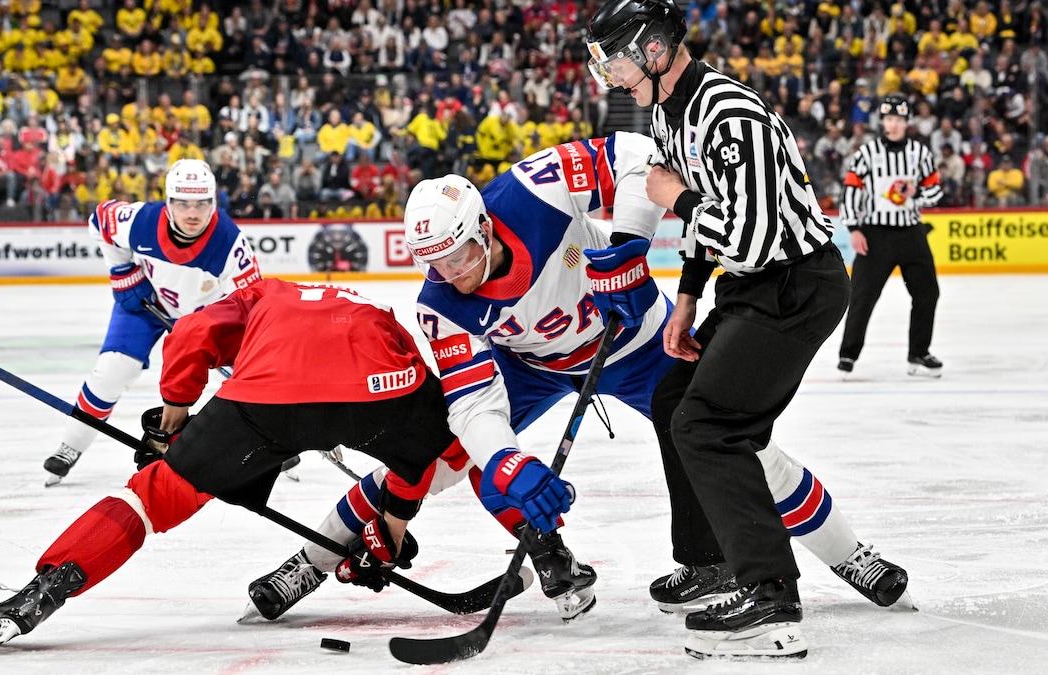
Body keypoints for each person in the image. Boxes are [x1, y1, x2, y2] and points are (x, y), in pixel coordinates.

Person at [250, 130, 907, 638]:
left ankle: (852, 555)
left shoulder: (531, 189)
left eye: (457, 254)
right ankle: (308, 561)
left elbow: (634, 154)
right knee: (430, 458)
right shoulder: (440, 303)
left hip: (636, 342)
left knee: (736, 444)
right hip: (530, 364)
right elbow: (474, 402)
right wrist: (509, 463)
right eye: (432, 264)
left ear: (481, 225)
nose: (450, 273)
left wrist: (627, 247)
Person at [585, 0, 907, 658]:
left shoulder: (729, 113)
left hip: (794, 285)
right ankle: (714, 561)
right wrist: (686, 297)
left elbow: (750, 234)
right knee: (675, 398)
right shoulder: (670, 112)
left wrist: (670, 196)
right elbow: (716, 226)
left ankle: (770, 596)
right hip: (753, 284)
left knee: (711, 425)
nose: (611, 77)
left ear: (652, 51)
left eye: (616, 60)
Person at [0, 278, 461, 648]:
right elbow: (413, 434)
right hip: (375, 396)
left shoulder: (261, 295)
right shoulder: (375, 306)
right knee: (436, 448)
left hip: (264, 403)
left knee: (150, 496)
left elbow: (190, 332)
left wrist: (171, 426)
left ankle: (45, 589)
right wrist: (388, 538)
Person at [41, 159, 262, 485]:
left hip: (201, 318)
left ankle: (268, 448)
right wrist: (123, 271)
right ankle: (70, 446)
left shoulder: (230, 243)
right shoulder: (140, 220)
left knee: (245, 376)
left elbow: (253, 305)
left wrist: (233, 344)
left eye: (201, 204)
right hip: (145, 302)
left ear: (213, 203)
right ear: (168, 202)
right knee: (113, 370)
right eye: (183, 203)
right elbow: (99, 220)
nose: (192, 213)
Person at [837, 94, 944, 377]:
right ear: (882, 121)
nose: (893, 125)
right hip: (875, 233)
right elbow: (851, 191)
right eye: (888, 119)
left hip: (911, 232)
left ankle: (918, 353)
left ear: (907, 122)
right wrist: (854, 228)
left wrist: (916, 193)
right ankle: (848, 354)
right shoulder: (867, 153)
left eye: (898, 119)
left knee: (928, 293)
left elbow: (935, 191)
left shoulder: (920, 153)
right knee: (862, 296)